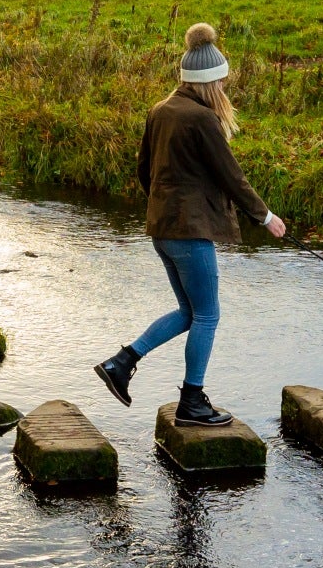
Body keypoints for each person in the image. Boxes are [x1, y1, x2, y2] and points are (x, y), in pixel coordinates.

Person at [95, 23, 285, 426]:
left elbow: (143, 169)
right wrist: (265, 217)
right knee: (208, 316)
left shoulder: (160, 110)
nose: (225, 87)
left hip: (162, 230)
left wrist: (163, 208)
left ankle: (121, 363)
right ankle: (192, 402)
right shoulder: (202, 118)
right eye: (222, 81)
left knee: (189, 311)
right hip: (189, 233)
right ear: (209, 81)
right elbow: (231, 176)